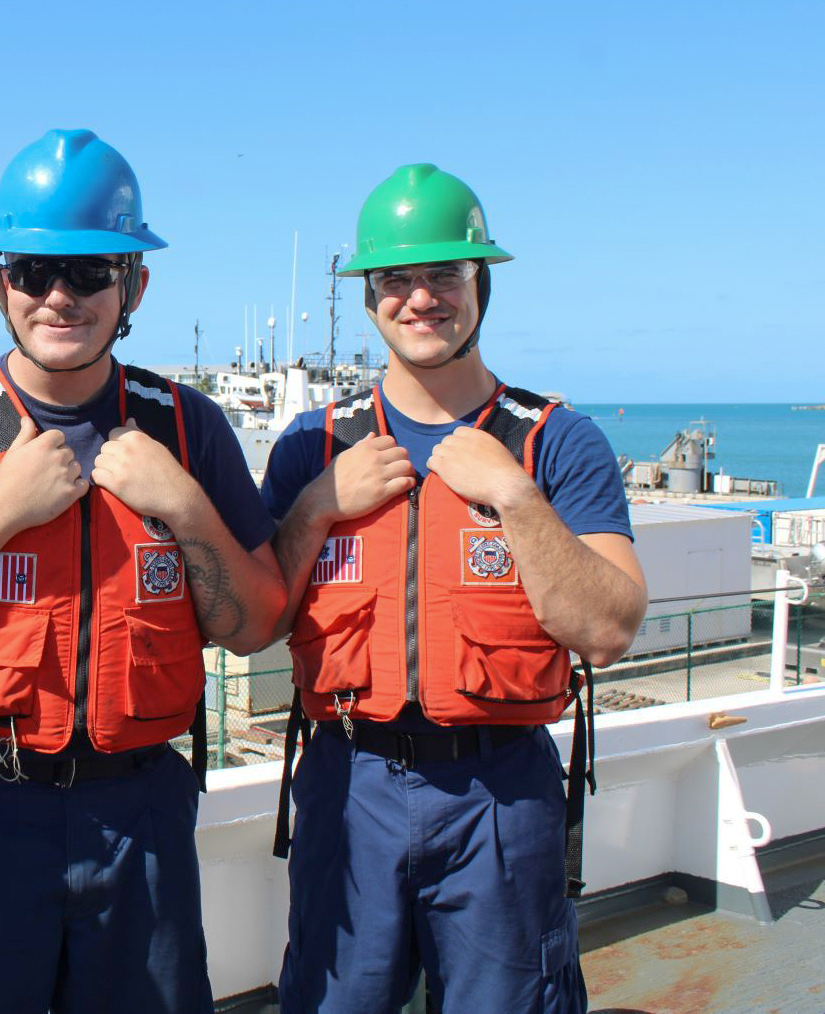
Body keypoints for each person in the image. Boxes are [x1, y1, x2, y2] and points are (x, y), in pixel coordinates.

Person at [0, 129, 286, 1014]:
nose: (57, 297)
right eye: (31, 272)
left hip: (139, 817)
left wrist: (185, 505)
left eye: (88, 273)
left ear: (133, 285)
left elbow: (254, 623)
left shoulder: (188, 430)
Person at [265, 163, 648, 1013]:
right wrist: (314, 509)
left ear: (482, 284)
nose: (421, 298)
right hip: (345, 779)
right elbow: (252, 621)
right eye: (396, 279)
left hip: (499, 791)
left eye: (446, 274)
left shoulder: (557, 442)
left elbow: (609, 628)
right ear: (368, 298)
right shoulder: (310, 447)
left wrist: (513, 495)